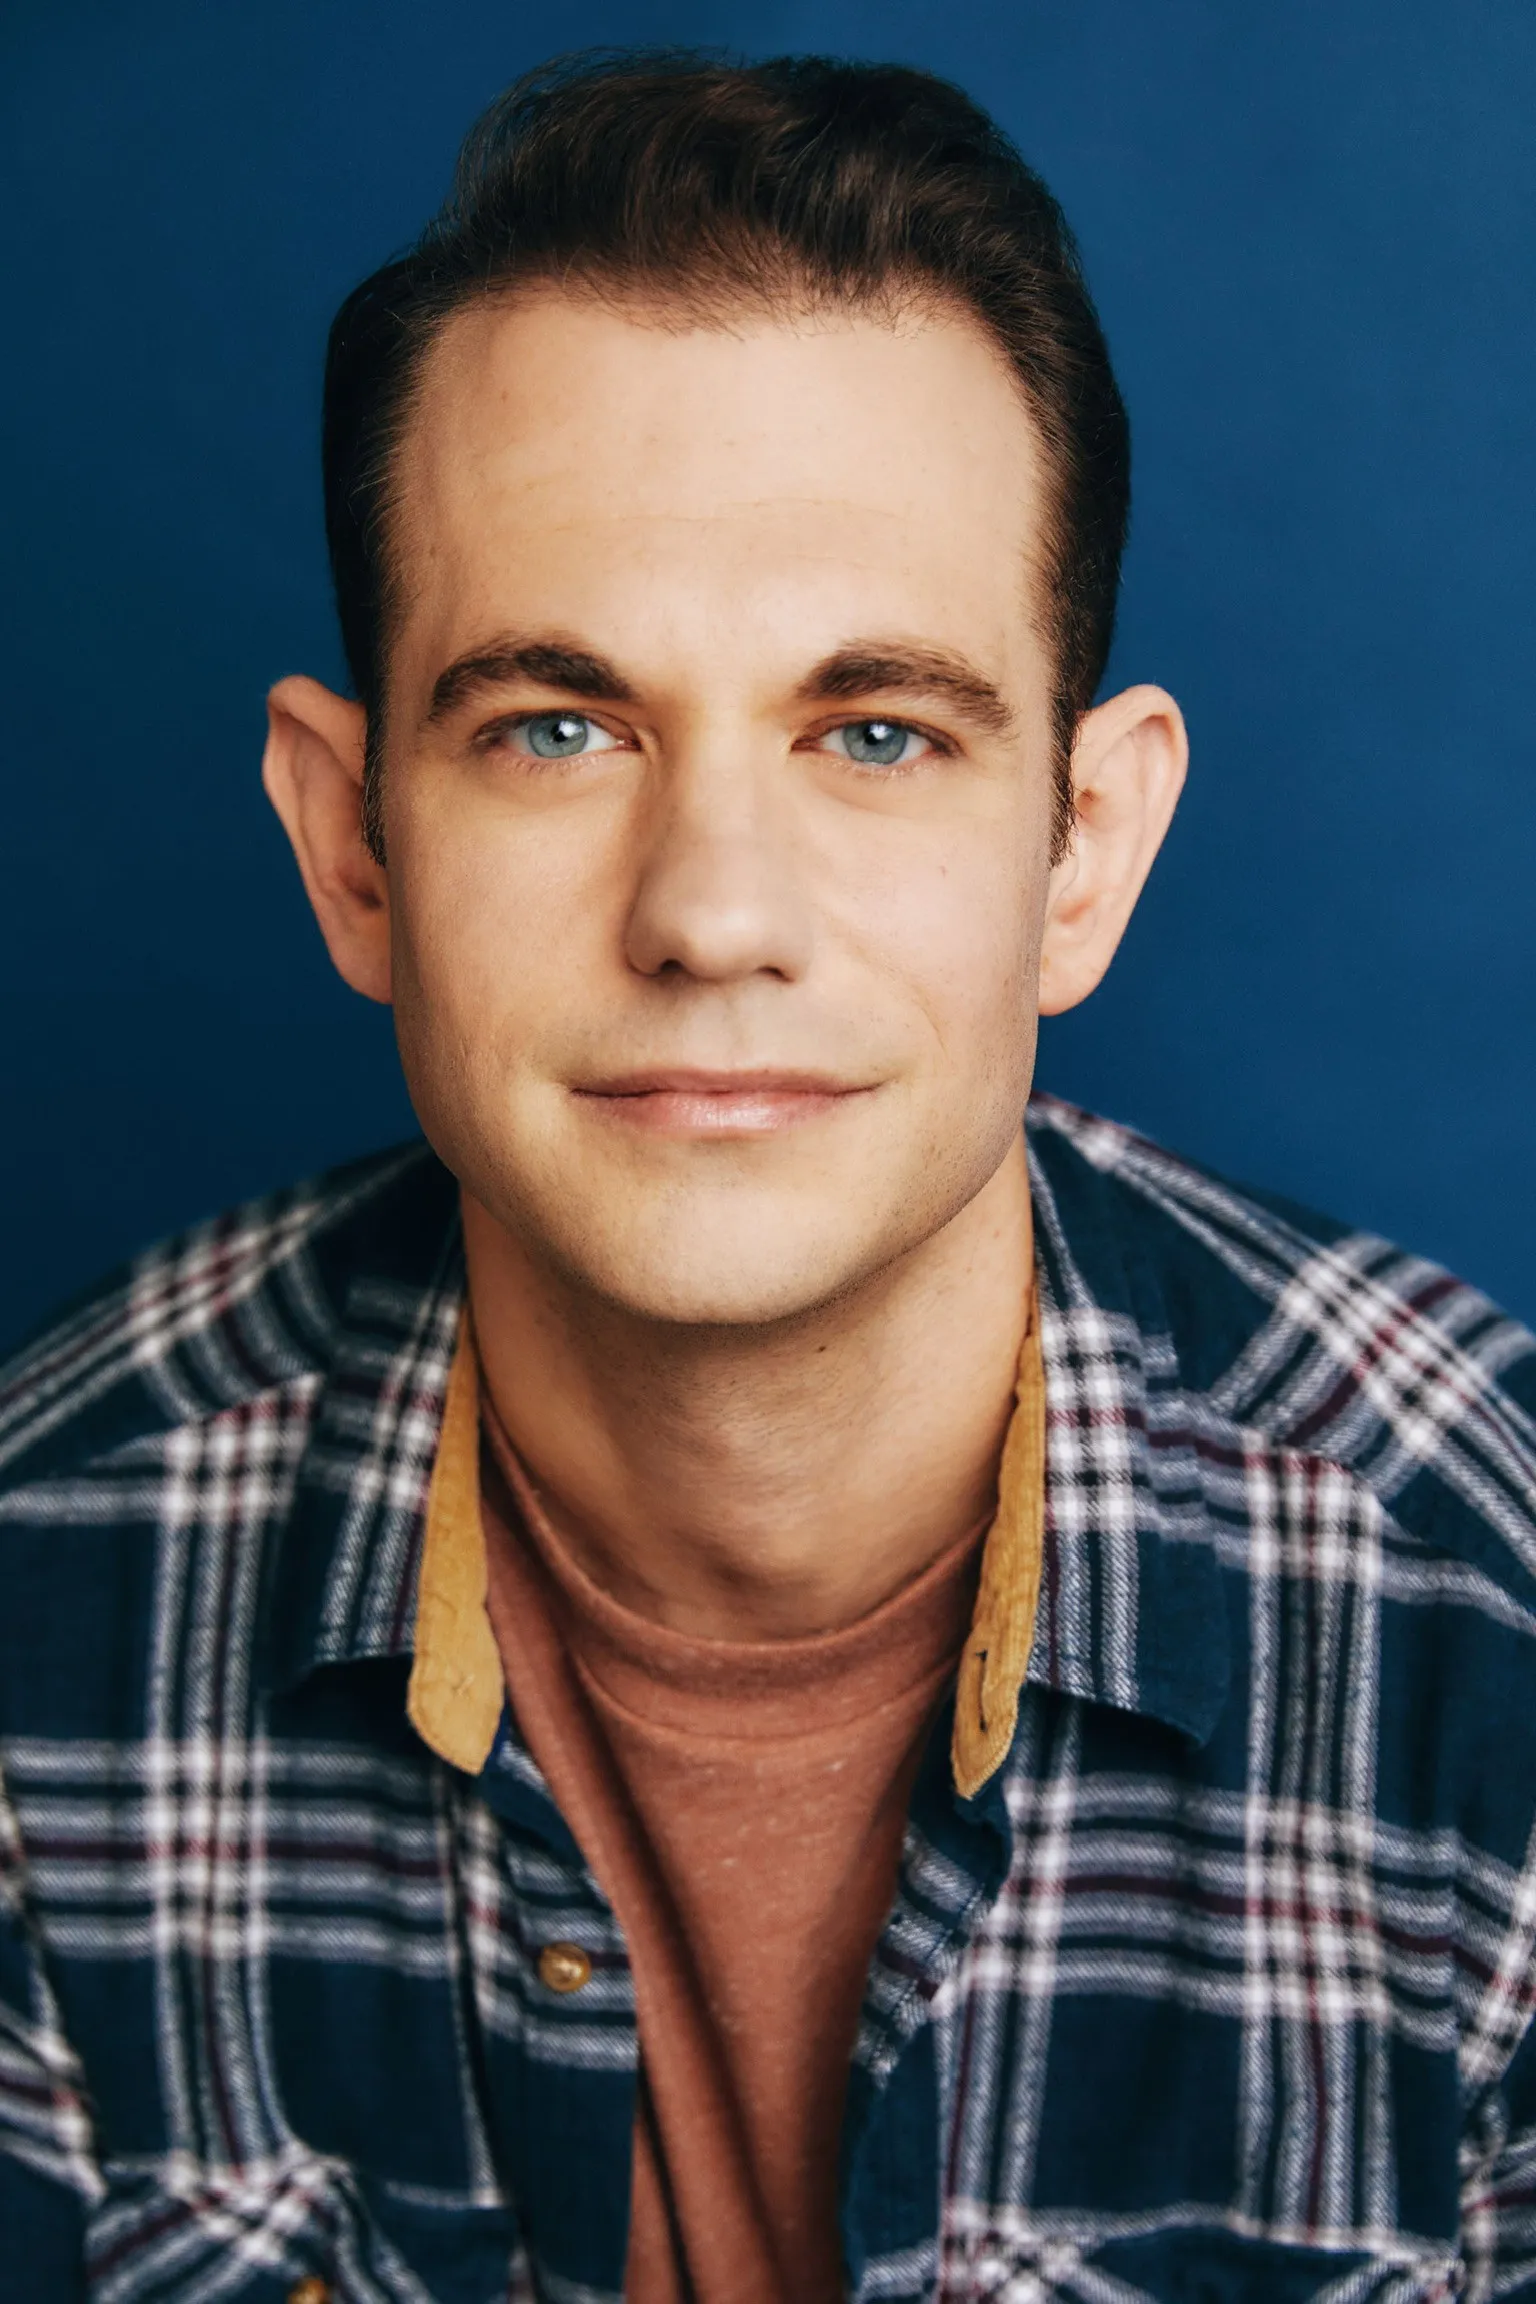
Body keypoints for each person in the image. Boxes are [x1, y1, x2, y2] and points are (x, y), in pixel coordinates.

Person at [2, 46, 1534, 2304]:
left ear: (1081, 852)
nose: (713, 909)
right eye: (558, 727)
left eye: (877, 732)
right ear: (352, 846)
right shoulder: (43, 1632)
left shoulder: (1487, 1638)